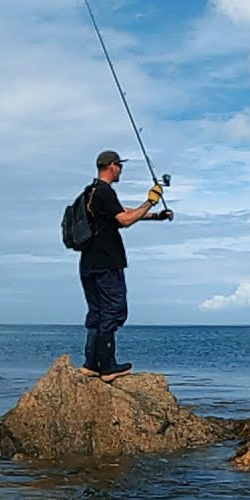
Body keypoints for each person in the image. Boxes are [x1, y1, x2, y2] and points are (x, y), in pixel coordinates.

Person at [78, 150, 172, 382]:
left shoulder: (89, 193)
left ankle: (91, 364)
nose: (121, 170)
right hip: (107, 263)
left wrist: (155, 215)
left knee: (97, 312)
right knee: (113, 310)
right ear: (112, 166)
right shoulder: (104, 191)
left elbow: (122, 213)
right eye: (119, 165)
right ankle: (108, 367)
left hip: (88, 263)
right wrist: (151, 199)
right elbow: (125, 220)